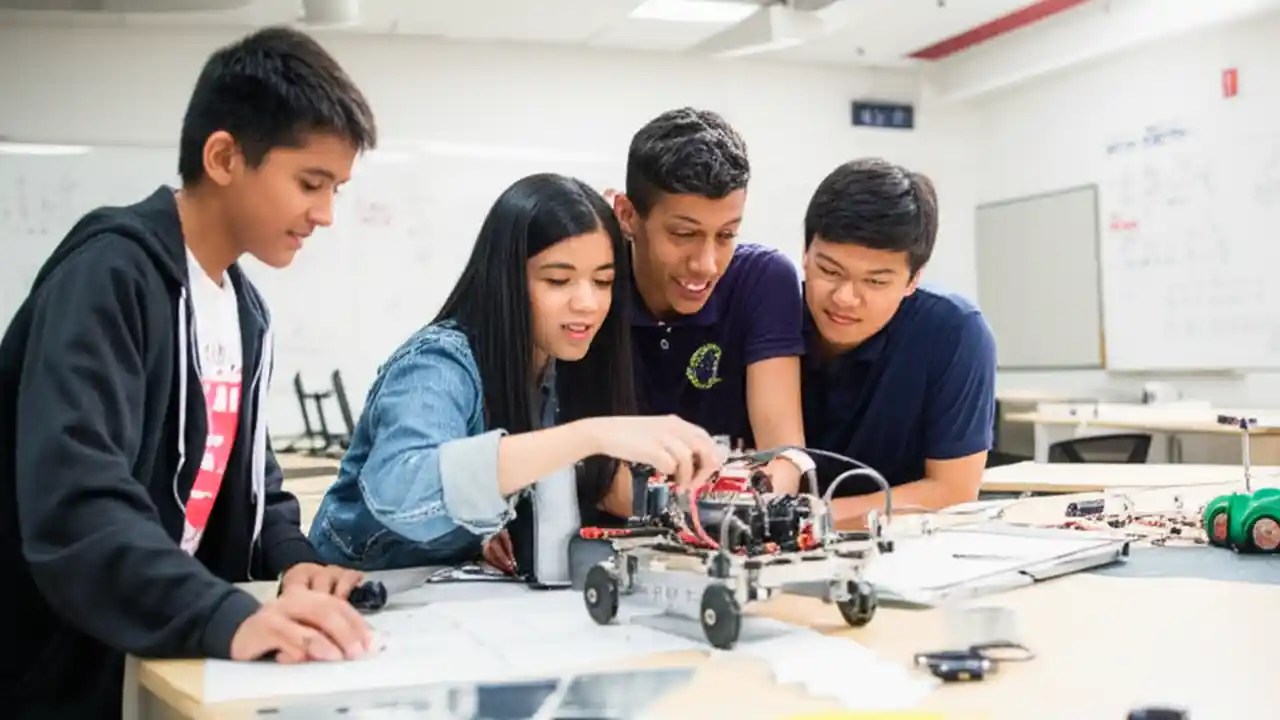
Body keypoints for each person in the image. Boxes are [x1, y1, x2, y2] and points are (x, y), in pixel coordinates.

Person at [0, 27, 381, 718]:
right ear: (224, 157)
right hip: (52, 671)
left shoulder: (244, 310)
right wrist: (223, 616)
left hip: (152, 663)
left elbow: (251, 483)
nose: (325, 214)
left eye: (336, 189)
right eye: (310, 183)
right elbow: (76, 501)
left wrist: (294, 560)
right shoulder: (110, 276)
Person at [308, 173, 723, 575]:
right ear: (505, 278)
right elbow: (401, 489)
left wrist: (482, 531)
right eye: (558, 280)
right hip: (348, 589)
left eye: (603, 281)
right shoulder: (439, 362)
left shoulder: (554, 366)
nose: (588, 303)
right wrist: (590, 435)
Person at [610, 107, 808, 492]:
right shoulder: (595, 285)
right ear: (628, 215)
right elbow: (594, 477)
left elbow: (785, 456)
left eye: (726, 235)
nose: (706, 264)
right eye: (684, 234)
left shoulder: (764, 280)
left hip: (734, 520)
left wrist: (738, 508)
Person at [799, 158, 997, 526]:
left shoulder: (952, 332)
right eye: (829, 270)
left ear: (913, 280)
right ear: (805, 254)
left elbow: (953, 492)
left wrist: (804, 520)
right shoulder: (768, 315)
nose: (844, 298)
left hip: (902, 546)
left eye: (875, 281)